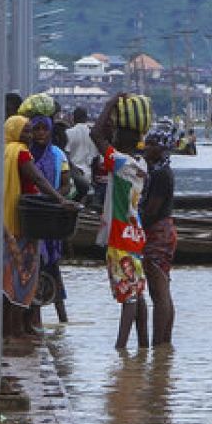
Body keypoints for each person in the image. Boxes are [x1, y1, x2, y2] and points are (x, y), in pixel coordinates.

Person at [90, 94, 151, 349]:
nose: (112, 136)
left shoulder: (121, 163)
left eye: (116, 133)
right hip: (136, 236)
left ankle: (121, 349)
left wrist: (110, 103)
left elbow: (95, 135)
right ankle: (144, 348)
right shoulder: (140, 164)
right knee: (138, 294)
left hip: (120, 237)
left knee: (128, 297)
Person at [1, 114, 67, 335]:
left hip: (5, 223)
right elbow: (38, 179)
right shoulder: (21, 153)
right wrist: (60, 199)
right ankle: (15, 331)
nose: (30, 136)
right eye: (26, 131)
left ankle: (7, 332)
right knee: (22, 280)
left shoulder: (3, 150)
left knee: (6, 279)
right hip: (22, 225)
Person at [25, 111, 73, 323]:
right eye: (36, 129)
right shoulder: (25, 154)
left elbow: (66, 184)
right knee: (33, 267)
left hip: (50, 217)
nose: (41, 133)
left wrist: (53, 198)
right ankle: (34, 321)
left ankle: (62, 322)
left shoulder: (58, 155)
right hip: (30, 215)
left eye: (45, 129)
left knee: (51, 266)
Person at [138, 118, 180, 346]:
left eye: (152, 144)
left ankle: (158, 343)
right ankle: (163, 347)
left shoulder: (161, 174)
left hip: (158, 233)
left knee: (158, 291)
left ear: (162, 148)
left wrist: (135, 228)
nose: (147, 147)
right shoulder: (157, 171)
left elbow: (152, 210)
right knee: (162, 288)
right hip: (163, 231)